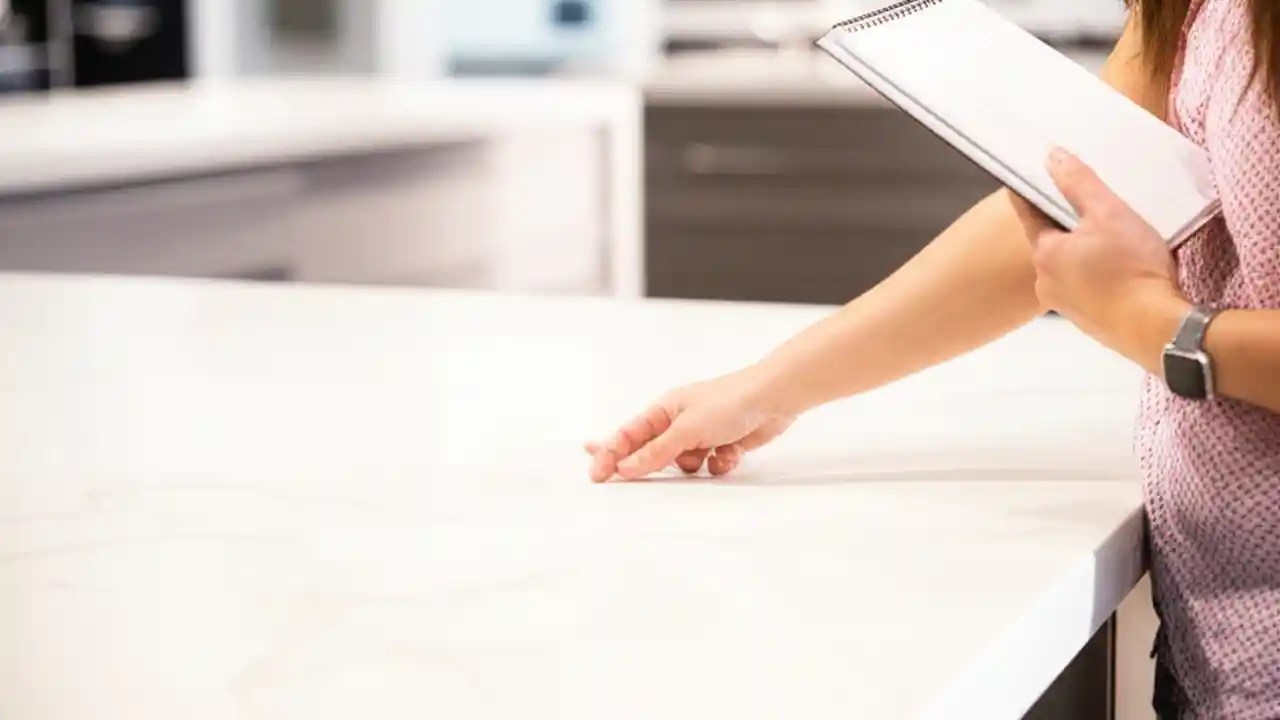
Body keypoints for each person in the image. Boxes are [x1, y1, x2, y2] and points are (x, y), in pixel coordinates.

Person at [585, 1, 1280, 717]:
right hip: (1219, 641)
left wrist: (1168, 329)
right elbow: (1073, 207)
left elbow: (1140, 304)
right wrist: (771, 385)